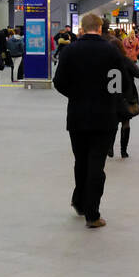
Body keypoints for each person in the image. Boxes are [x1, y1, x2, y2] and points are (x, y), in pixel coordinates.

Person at [52, 13, 121, 229]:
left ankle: (79, 202)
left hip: (77, 115)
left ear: (82, 28)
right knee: (96, 165)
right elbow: (117, 83)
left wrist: (76, 95)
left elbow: (59, 82)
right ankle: (92, 214)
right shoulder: (111, 50)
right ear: (100, 28)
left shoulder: (70, 50)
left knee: (80, 160)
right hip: (104, 116)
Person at [107, 36, 139, 159]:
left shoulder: (106, 61)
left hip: (110, 95)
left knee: (112, 121)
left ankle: (109, 147)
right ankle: (123, 151)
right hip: (127, 95)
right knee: (126, 122)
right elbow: (138, 74)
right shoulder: (126, 61)